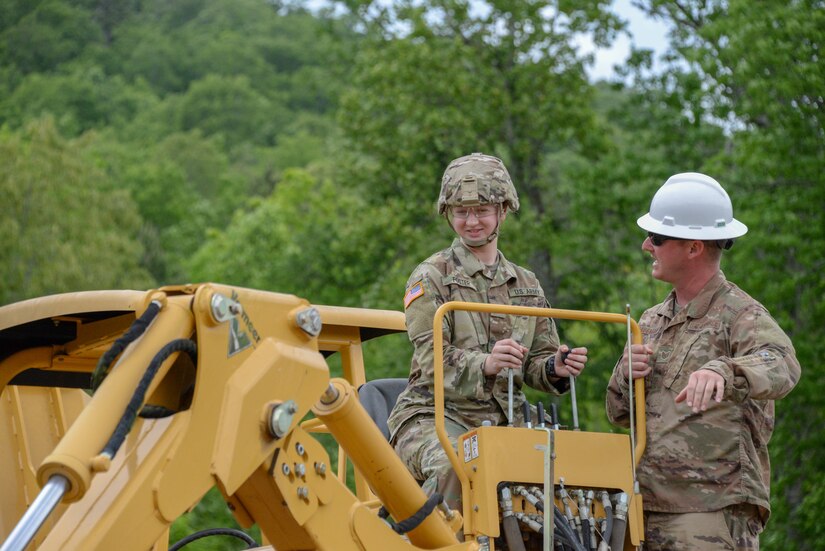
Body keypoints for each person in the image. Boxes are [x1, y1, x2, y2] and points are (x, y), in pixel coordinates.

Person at [606, 172, 801, 550]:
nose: (647, 245)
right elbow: (617, 413)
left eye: (658, 238)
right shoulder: (650, 320)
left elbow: (782, 363)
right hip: (642, 507)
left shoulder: (740, 314)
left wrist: (724, 370)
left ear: (694, 248)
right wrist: (624, 375)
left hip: (711, 510)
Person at [387, 152, 588, 512]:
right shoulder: (431, 277)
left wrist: (554, 368)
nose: (471, 221)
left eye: (482, 210)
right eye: (461, 212)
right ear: (448, 214)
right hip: (434, 416)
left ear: (503, 211)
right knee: (456, 467)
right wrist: (486, 365)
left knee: (576, 475)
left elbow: (536, 360)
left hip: (507, 418)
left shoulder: (526, 284)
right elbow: (431, 360)